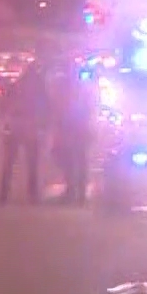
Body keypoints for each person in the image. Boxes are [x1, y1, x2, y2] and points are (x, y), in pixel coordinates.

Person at [0, 65, 50, 204]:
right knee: (32, 162)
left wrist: (5, 121)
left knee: (9, 162)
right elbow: (45, 108)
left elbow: (3, 105)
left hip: (15, 126)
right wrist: (43, 125)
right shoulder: (39, 88)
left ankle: (4, 193)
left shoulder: (15, 86)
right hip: (30, 127)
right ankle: (32, 194)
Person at [51, 66, 97, 205]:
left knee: (72, 161)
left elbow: (59, 110)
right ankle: (78, 192)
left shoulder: (67, 92)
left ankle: (74, 191)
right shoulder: (83, 91)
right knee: (77, 161)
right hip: (78, 131)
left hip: (73, 131)